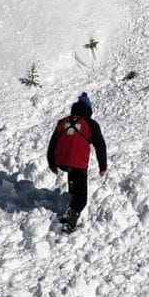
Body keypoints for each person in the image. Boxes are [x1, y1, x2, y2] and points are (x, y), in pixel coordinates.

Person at [47, 92, 107, 232]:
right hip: (78, 164)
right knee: (82, 198)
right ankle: (69, 221)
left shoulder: (63, 121)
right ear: (88, 109)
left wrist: (52, 163)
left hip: (62, 162)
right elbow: (100, 146)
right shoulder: (90, 123)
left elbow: (53, 143)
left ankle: (70, 207)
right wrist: (102, 166)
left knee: (74, 189)